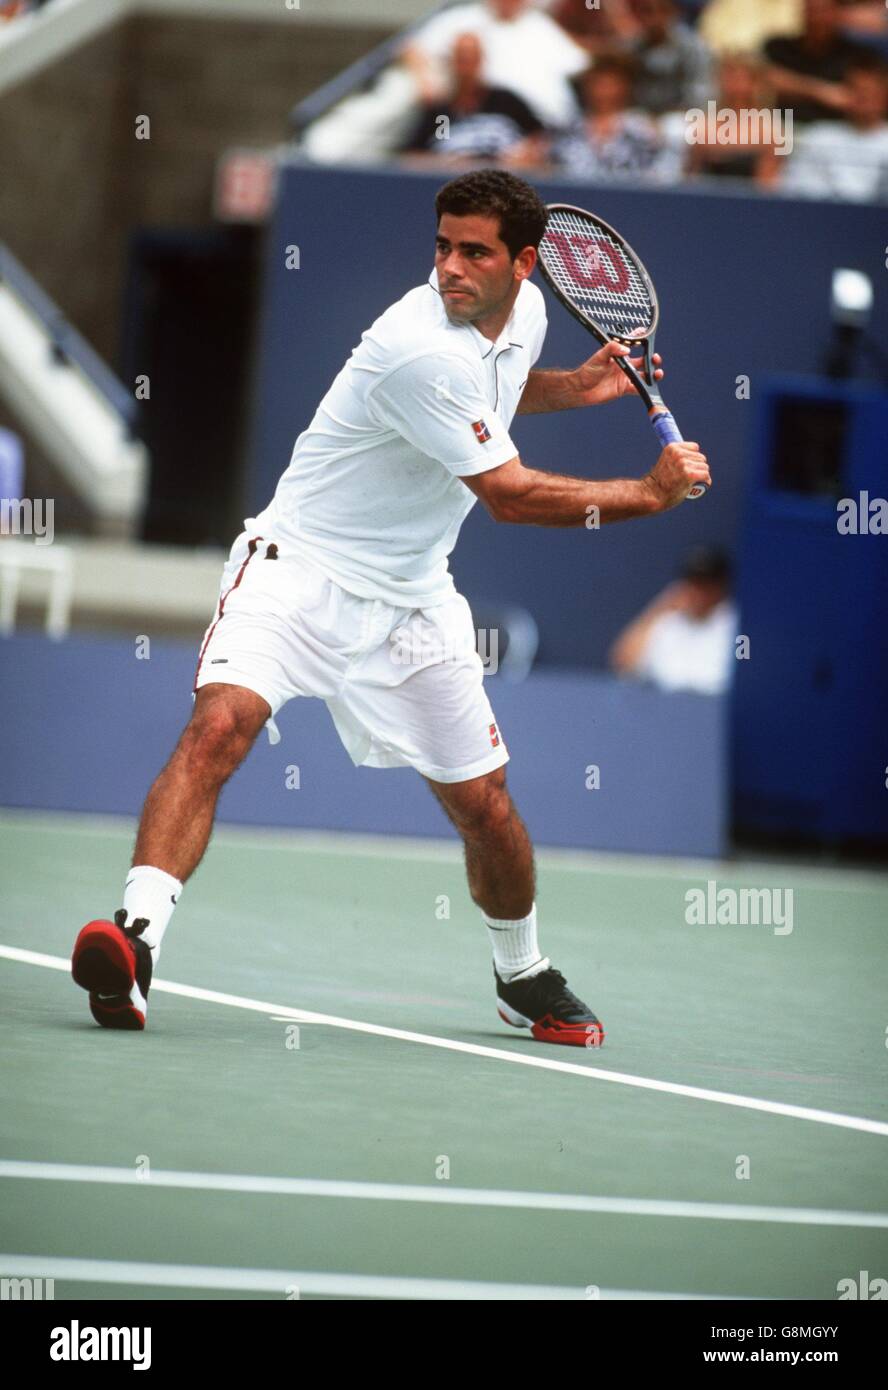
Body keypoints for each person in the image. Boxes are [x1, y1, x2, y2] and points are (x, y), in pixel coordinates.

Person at [71, 171, 710, 1045]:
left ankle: (521, 971)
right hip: (298, 572)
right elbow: (510, 495)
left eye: (474, 252)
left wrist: (572, 386)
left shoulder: (527, 315)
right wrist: (649, 492)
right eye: (443, 247)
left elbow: (491, 394)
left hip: (412, 599)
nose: (450, 267)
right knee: (219, 726)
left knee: (485, 805)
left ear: (525, 264)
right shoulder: (416, 345)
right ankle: (135, 942)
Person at [402, 0, 588, 128]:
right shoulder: (463, 18)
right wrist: (425, 79)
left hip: (540, 127)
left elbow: (583, 63)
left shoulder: (542, 26)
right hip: (476, 119)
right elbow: (413, 47)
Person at [609, 546, 736, 694]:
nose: (698, 590)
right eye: (692, 581)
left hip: (716, 704)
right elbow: (623, 662)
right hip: (666, 704)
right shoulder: (667, 623)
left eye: (707, 583)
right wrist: (661, 607)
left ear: (722, 585)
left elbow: (746, 665)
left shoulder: (737, 626)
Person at [400, 32, 543, 164]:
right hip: (455, 180)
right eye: (462, 59)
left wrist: (526, 155)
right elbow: (413, 156)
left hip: (503, 177)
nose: (467, 67)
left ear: (481, 60)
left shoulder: (506, 102)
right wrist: (445, 163)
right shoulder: (441, 115)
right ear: (451, 62)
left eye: (472, 58)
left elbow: (539, 137)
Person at [780, 53, 888, 199]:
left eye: (871, 92)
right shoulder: (817, 136)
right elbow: (797, 191)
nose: (864, 98)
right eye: (857, 90)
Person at [548, 55, 666, 181]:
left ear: (626, 87)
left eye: (611, 85)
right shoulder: (566, 129)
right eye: (598, 84)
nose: (604, 92)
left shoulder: (644, 130)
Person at [765, 0, 872, 124]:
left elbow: (861, 96)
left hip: (840, 129)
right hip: (786, 126)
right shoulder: (779, 48)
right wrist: (822, 92)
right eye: (813, 11)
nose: (818, 18)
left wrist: (794, 86)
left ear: (838, 13)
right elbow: (768, 78)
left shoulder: (856, 55)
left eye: (824, 11)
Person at [685, 53, 782, 186]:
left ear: (756, 83)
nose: (732, 83)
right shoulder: (703, 125)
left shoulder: (770, 130)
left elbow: (767, 185)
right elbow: (691, 178)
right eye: (728, 76)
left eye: (739, 77)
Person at [627, 0, 713, 115]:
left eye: (663, 11)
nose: (655, 19)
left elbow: (700, 94)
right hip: (643, 116)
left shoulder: (693, 48)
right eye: (647, 11)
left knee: (673, 123)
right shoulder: (632, 48)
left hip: (682, 115)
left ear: (675, 13)